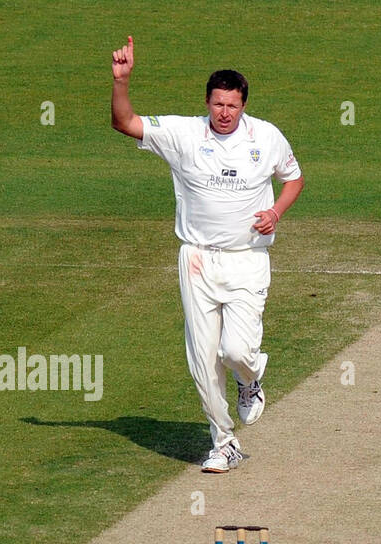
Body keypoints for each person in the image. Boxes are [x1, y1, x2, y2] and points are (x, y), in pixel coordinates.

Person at [110, 36, 304, 473]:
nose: (224, 113)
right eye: (217, 105)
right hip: (197, 259)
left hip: (247, 259)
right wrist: (122, 82)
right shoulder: (183, 134)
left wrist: (276, 211)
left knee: (236, 351)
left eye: (232, 106)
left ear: (243, 106)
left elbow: (294, 178)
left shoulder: (267, 137)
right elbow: (125, 123)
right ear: (207, 102)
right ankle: (224, 441)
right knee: (201, 358)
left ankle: (250, 380)